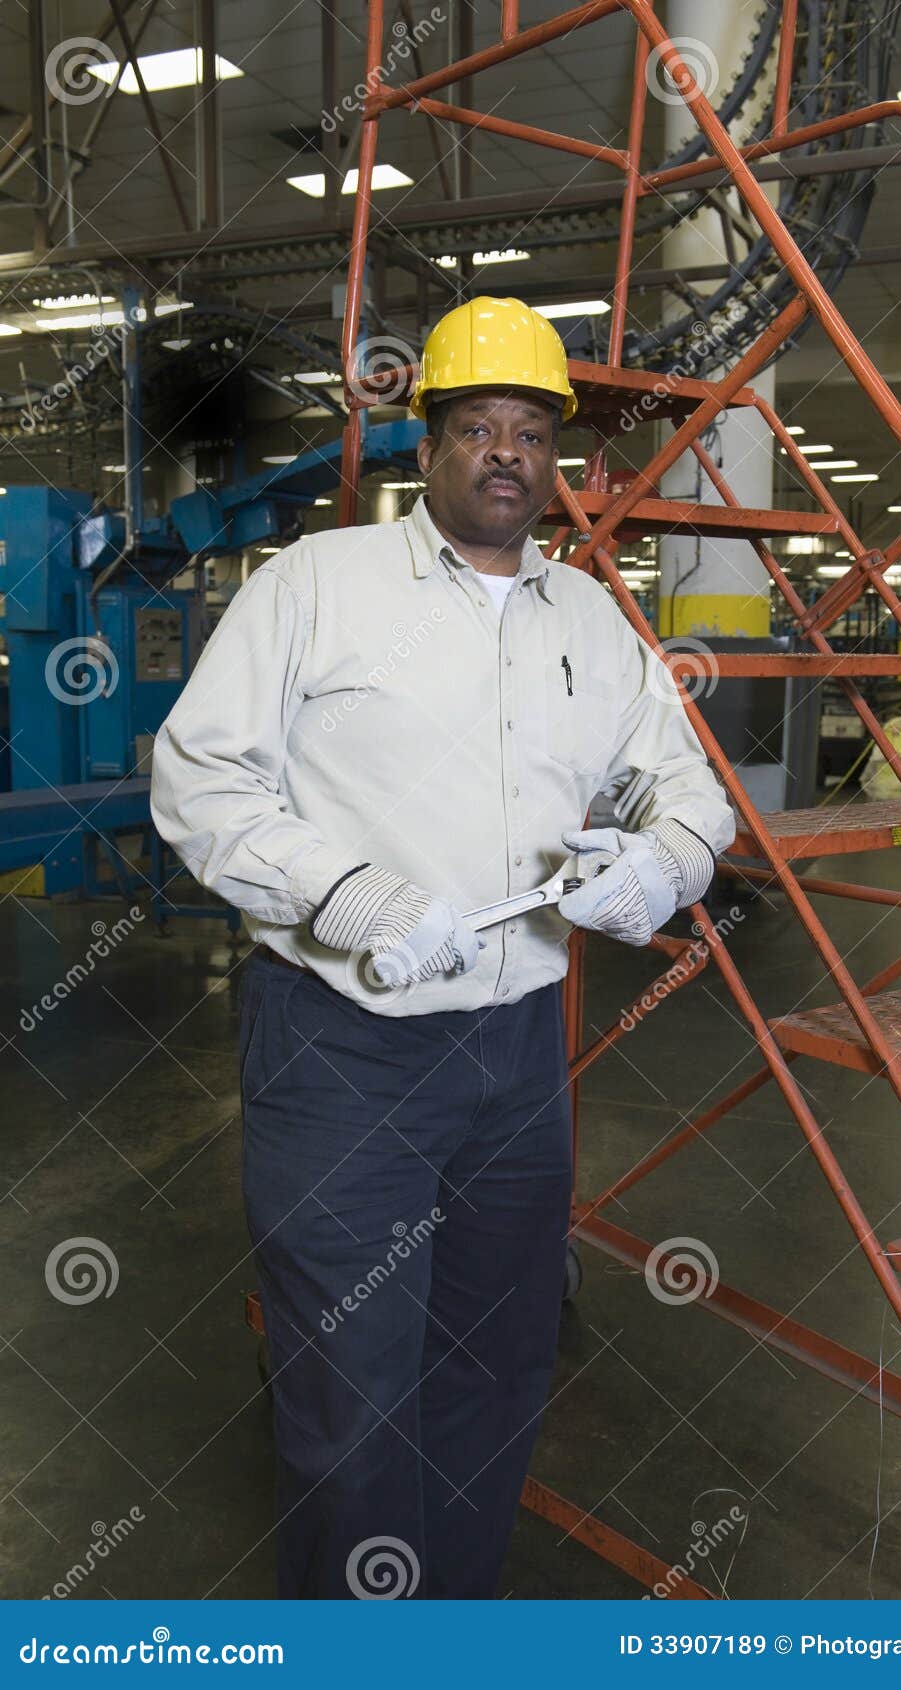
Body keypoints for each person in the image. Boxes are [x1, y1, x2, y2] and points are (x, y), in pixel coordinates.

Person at [149, 294, 735, 1600]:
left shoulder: (588, 620)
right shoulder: (316, 585)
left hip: (517, 1054)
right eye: (479, 424)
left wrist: (662, 861)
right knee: (349, 1403)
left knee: (495, 1363)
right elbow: (199, 777)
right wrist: (346, 896)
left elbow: (685, 791)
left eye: (531, 430)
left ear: (558, 459)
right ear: (430, 440)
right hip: (339, 1053)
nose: (507, 453)